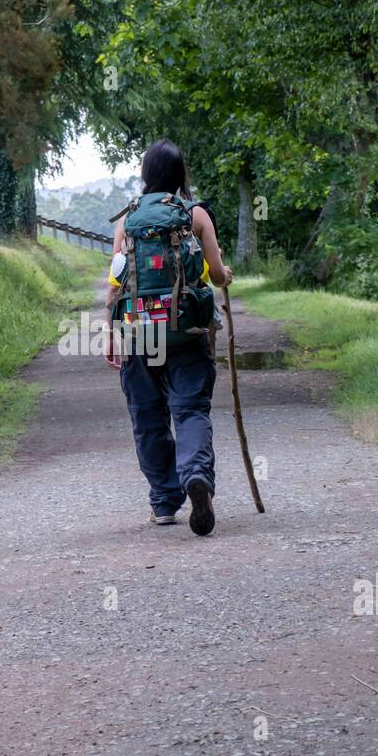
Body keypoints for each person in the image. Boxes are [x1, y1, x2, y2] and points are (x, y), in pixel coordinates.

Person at [103, 139, 233, 536]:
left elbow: (116, 281)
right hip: (186, 329)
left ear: (145, 175)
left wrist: (109, 331)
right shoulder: (195, 215)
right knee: (190, 410)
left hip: (139, 333)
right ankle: (196, 476)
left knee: (148, 418)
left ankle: (164, 501)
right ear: (180, 176)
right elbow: (213, 273)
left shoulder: (128, 219)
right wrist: (226, 275)